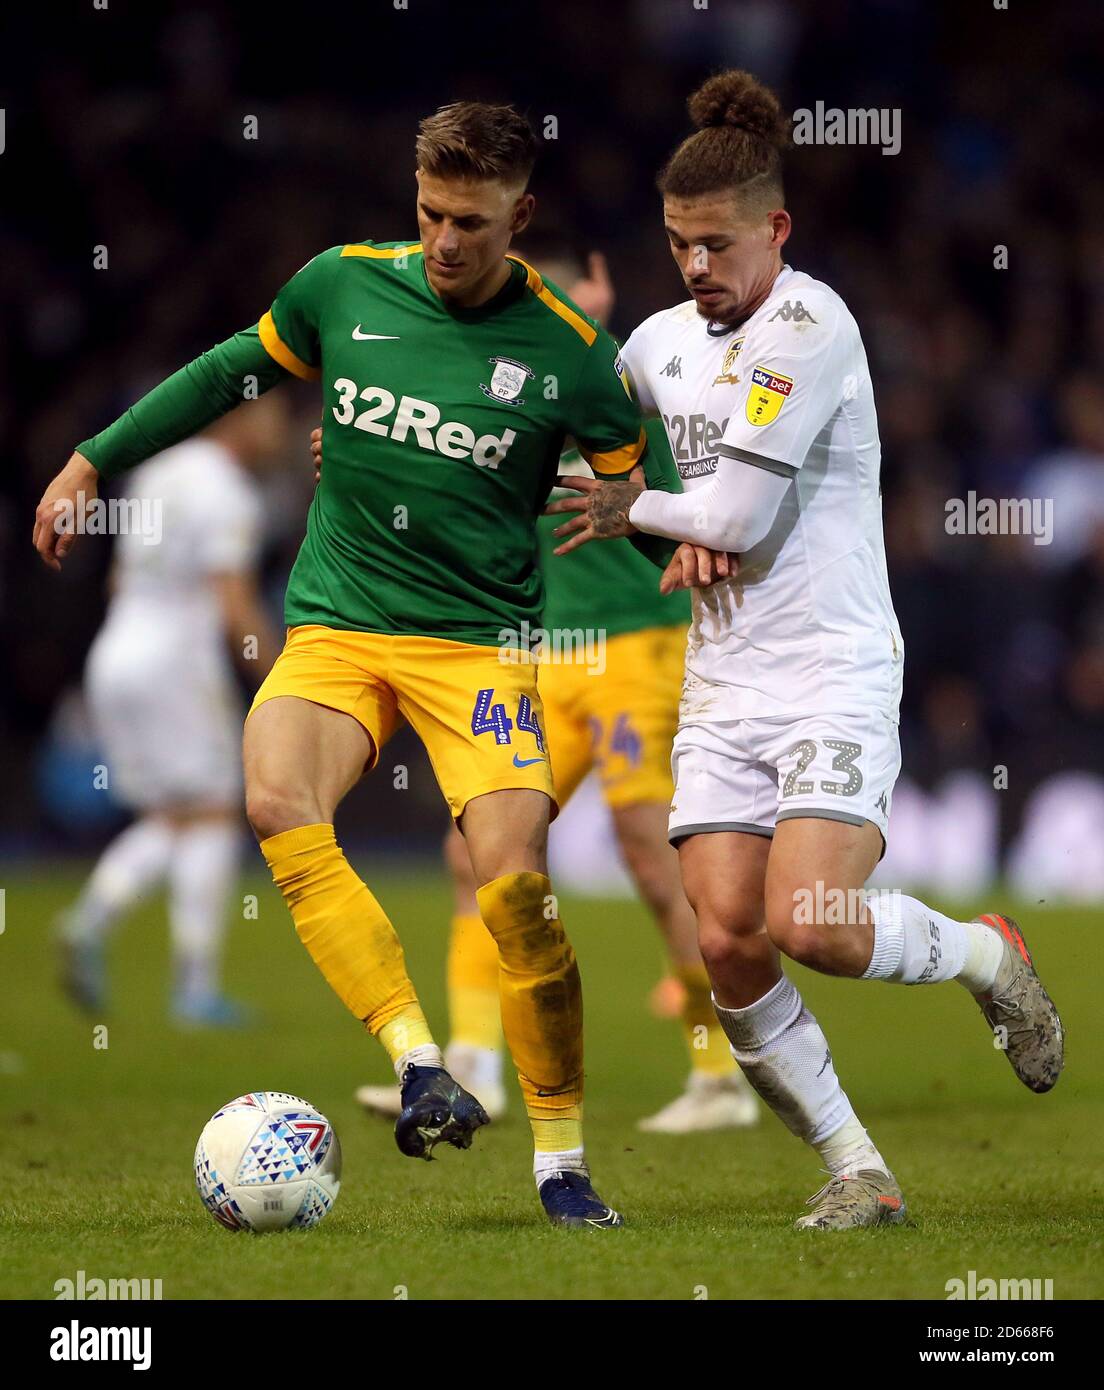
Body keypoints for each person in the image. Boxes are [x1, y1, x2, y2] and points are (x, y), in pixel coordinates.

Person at [34, 102, 650, 1229]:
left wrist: (631, 508)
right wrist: (92, 458)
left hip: (478, 648)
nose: (447, 240)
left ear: (524, 213)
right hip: (340, 625)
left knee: (517, 893)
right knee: (273, 798)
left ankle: (562, 1161)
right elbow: (224, 375)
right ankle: (419, 1060)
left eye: (472, 220)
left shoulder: (572, 351)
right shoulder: (343, 285)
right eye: (429, 213)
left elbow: (648, 496)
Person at [550, 70, 1064, 1230]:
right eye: (679, 244)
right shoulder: (653, 346)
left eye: (718, 244)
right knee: (727, 938)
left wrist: (644, 514)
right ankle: (859, 1171)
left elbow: (718, 516)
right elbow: (584, 460)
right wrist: (552, 372)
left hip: (831, 669)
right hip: (721, 681)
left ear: (774, 228)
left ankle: (986, 955)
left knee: (816, 920)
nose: (696, 267)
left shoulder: (810, 324)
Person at [350, 251, 757, 1133]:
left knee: (655, 861)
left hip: (635, 652)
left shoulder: (608, 385)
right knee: (477, 858)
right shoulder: (499, 399)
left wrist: (601, 340)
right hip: (542, 659)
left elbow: (681, 504)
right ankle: (475, 1069)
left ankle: (718, 1073)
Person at [59, 400, 286, 1025]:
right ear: (240, 417)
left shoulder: (158, 469)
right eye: (273, 415)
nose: (283, 431)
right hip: (175, 663)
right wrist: (282, 678)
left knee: (174, 814)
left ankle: (88, 921)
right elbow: (235, 602)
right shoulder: (228, 492)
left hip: (117, 650)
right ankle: (194, 987)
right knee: (214, 811)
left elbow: (115, 579)